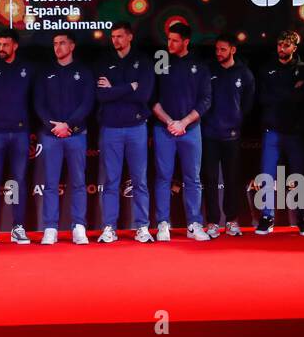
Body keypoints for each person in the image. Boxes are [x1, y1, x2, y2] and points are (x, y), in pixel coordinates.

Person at [151, 22, 212, 242]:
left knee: (192, 178)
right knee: (163, 177)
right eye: (168, 39)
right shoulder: (161, 60)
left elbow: (206, 100)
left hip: (191, 130)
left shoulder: (199, 65)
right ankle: (163, 224)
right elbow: (152, 98)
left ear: (186, 42)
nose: (170, 43)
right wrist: (169, 121)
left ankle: (194, 224)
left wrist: (184, 122)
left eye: (175, 40)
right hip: (164, 129)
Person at [33, 33, 95, 245]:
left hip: (76, 134)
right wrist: (54, 126)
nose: (57, 47)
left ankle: (79, 226)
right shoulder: (45, 72)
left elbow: (87, 103)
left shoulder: (84, 72)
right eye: (55, 44)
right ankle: (50, 227)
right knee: (50, 183)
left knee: (78, 182)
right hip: (51, 135)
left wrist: (68, 125)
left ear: (72, 45)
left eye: (62, 43)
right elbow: (39, 104)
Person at [96, 22, 154, 243]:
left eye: (120, 36)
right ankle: (109, 226)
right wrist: (129, 87)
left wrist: (114, 89)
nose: (115, 40)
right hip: (110, 128)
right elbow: (101, 96)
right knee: (111, 180)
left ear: (130, 37)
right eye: (113, 37)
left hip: (137, 127)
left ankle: (142, 227)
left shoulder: (144, 62)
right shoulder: (104, 62)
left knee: (139, 180)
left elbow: (144, 95)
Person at [0, 29, 35, 246]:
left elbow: (33, 98)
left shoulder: (27, 69)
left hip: (20, 132)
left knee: (17, 182)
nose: (1, 48)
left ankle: (18, 227)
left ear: (15, 46)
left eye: (5, 45)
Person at [255, 31, 304, 236]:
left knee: (298, 177)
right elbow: (263, 98)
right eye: (280, 45)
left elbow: (303, 99)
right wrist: (290, 91)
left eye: (286, 46)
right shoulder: (266, 69)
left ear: (294, 48)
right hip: (272, 131)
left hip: (296, 132)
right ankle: (266, 216)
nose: (282, 49)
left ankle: (302, 216)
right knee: (267, 176)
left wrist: (281, 93)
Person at [202, 33, 255, 238]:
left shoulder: (244, 74)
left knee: (232, 179)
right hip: (209, 134)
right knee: (211, 179)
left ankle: (232, 221)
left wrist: (237, 120)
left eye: (223, 49)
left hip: (232, 136)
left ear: (233, 50)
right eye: (217, 49)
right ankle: (213, 222)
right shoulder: (209, 71)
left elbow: (248, 104)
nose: (219, 53)